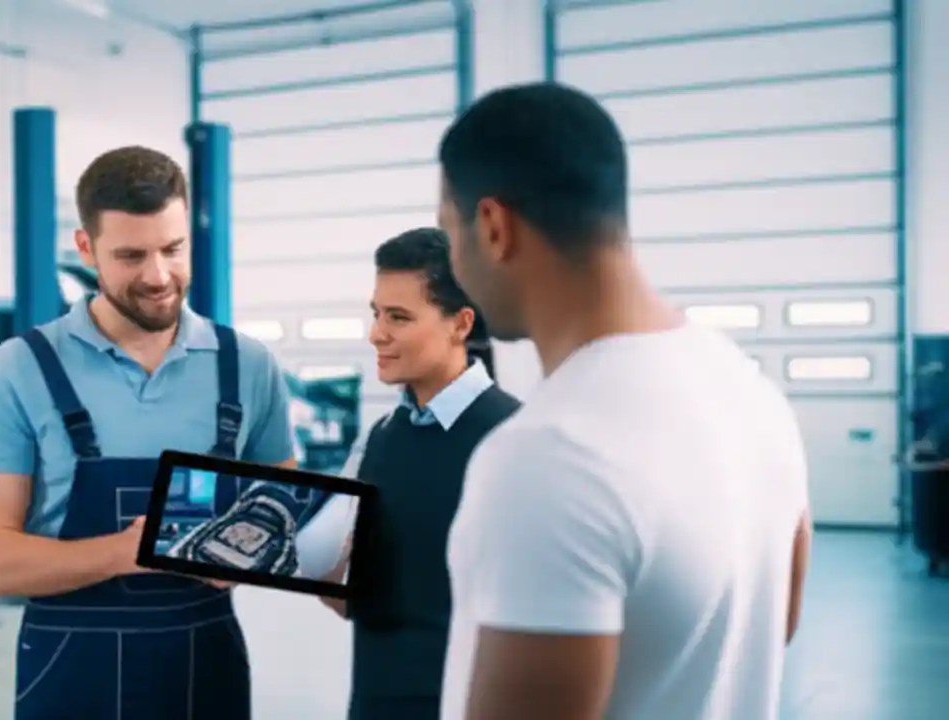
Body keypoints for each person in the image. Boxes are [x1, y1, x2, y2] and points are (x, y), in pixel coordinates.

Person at [433, 82, 813, 720]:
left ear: (494, 227)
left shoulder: (551, 457)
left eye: (450, 230)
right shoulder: (751, 391)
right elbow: (772, 629)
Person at [0, 145, 297, 720]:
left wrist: (253, 552)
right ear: (86, 248)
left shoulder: (247, 367)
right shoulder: (21, 369)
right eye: (132, 256)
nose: (158, 276)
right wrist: (127, 552)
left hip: (205, 667)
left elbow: (284, 517)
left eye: (173, 249)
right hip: (71, 671)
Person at [295, 228, 522, 720]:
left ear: (460, 324)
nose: (377, 333)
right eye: (377, 313)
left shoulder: (513, 439)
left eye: (398, 317)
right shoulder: (386, 435)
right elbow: (382, 598)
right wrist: (322, 575)